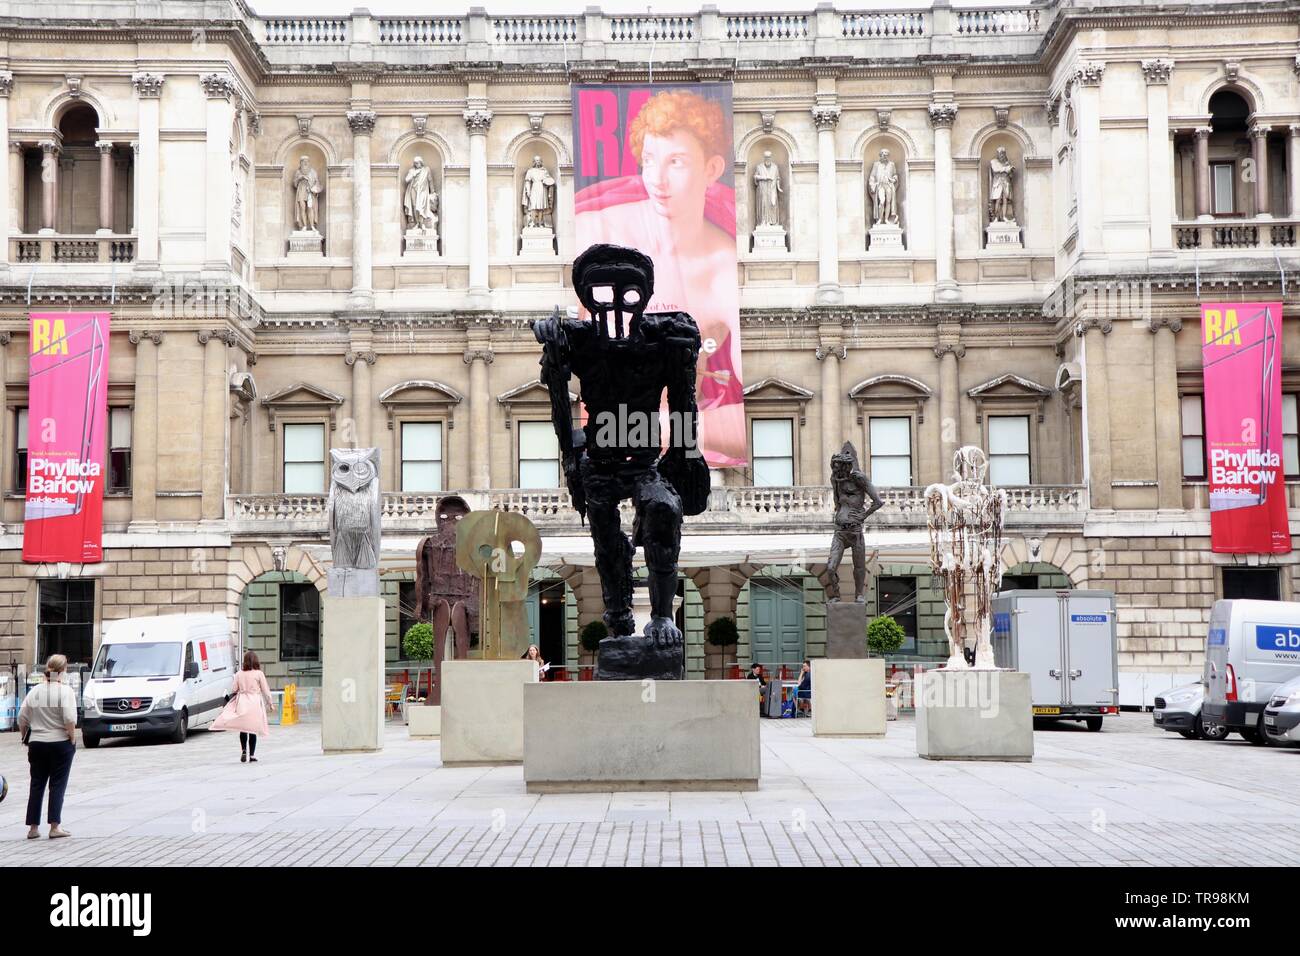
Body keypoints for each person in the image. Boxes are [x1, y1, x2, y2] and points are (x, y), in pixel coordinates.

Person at [574, 89, 746, 468]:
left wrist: (647, 429)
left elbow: (735, 424)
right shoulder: (599, 228)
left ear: (713, 169)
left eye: (677, 162)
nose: (658, 179)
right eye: (649, 160)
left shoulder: (720, 271)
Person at [17, 654, 78, 839]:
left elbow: (22, 718)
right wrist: (72, 738)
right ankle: (54, 827)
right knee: (57, 785)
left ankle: (33, 828)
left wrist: (25, 737)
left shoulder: (35, 691)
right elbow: (69, 719)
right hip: (60, 743)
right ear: (64, 670)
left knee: (36, 785)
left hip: (37, 743)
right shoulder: (65, 691)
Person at [211, 651, 274, 762]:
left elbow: (234, 689)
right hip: (254, 702)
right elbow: (266, 689)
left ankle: (244, 750)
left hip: (243, 701)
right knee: (253, 729)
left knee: (243, 728)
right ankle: (252, 755)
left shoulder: (239, 674)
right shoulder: (259, 673)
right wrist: (270, 703)